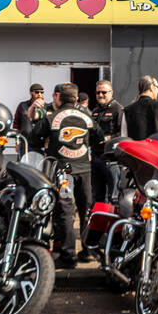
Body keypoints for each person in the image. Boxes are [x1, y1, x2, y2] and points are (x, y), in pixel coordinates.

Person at [36, 83, 98, 266]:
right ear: (76, 99)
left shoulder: (51, 118)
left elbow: (33, 136)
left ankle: (68, 256)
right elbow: (99, 137)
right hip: (84, 171)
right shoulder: (87, 117)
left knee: (65, 212)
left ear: (59, 98)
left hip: (64, 174)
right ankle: (88, 251)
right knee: (86, 211)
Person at [90, 79, 124, 201]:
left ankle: (113, 220)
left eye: (103, 92)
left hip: (111, 159)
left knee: (113, 196)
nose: (100, 95)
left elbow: (122, 133)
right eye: (98, 92)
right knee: (97, 195)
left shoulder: (118, 109)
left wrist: (107, 139)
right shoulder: (95, 111)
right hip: (95, 156)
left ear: (111, 92)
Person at [122, 75, 158, 140]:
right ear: (151, 87)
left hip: (137, 150)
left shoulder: (127, 111)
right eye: (157, 87)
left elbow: (124, 138)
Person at [14, 83, 47, 148]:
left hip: (40, 144)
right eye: (37, 92)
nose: (40, 95)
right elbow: (16, 125)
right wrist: (17, 142)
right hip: (25, 142)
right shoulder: (22, 105)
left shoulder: (46, 107)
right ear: (30, 93)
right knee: (23, 158)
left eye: (42, 92)